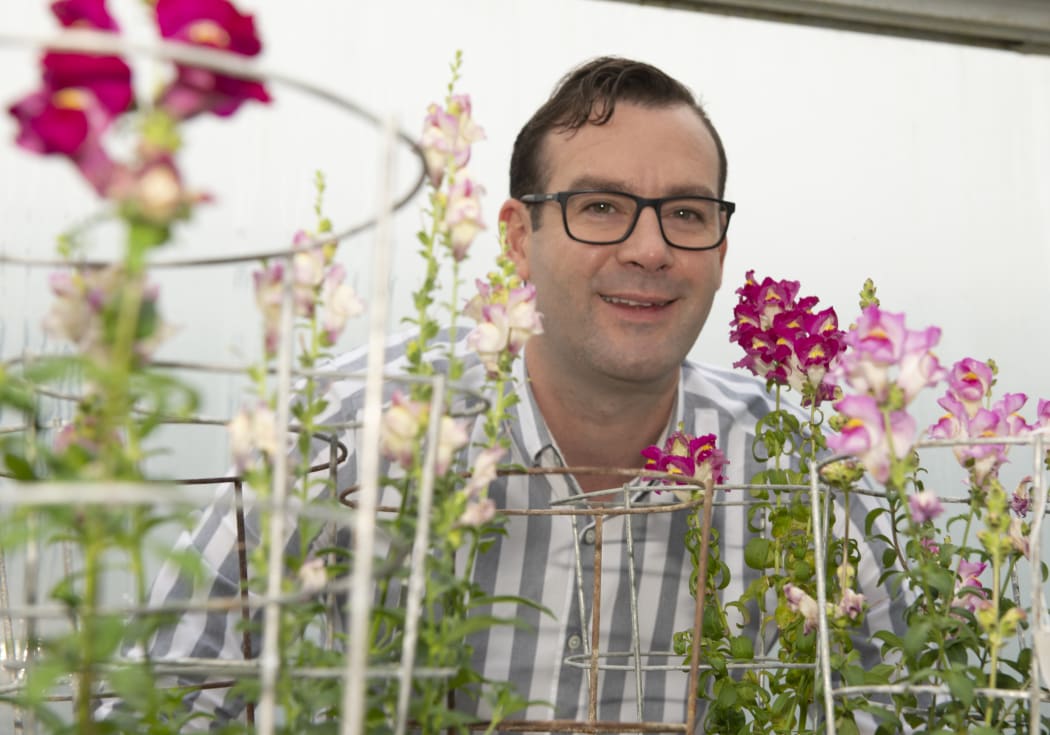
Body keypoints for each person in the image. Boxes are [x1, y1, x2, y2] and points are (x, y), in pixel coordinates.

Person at [104, 56, 904, 730]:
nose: (651, 249)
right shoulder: (347, 431)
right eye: (602, 207)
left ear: (721, 247)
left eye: (687, 214)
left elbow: (903, 707)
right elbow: (159, 701)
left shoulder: (796, 472)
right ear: (519, 238)